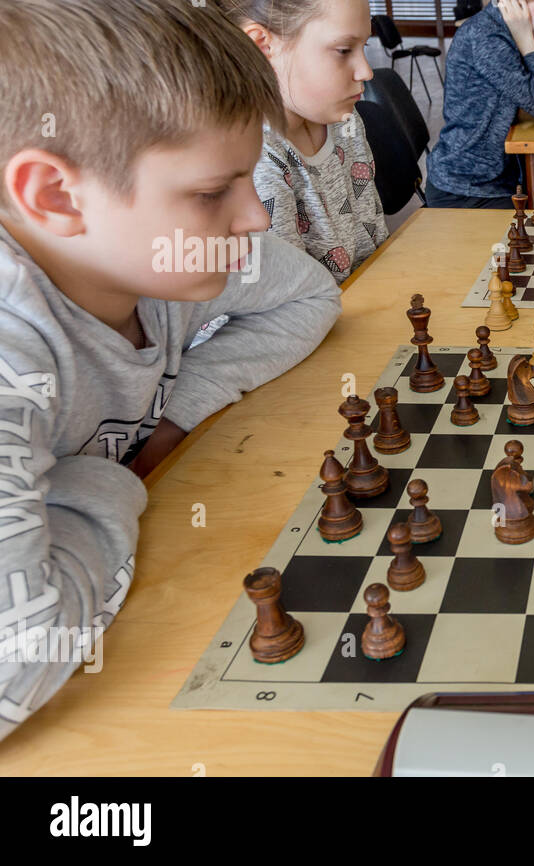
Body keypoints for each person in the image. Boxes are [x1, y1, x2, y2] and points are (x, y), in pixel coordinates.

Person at [0, 0, 341, 742]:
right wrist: (106, 479)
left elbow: (311, 294)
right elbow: (16, 667)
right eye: (214, 192)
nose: (254, 217)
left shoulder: (171, 260)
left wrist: (174, 416)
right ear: (56, 196)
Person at [219, 0, 388, 286]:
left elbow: (371, 246)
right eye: (344, 50)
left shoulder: (345, 120)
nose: (366, 71)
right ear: (262, 46)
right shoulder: (254, 158)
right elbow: (284, 303)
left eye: (364, 48)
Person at [426, 0, 534, 209]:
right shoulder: (488, 37)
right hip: (467, 188)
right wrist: (527, 43)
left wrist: (529, 44)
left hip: (502, 174)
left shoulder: (506, 30)